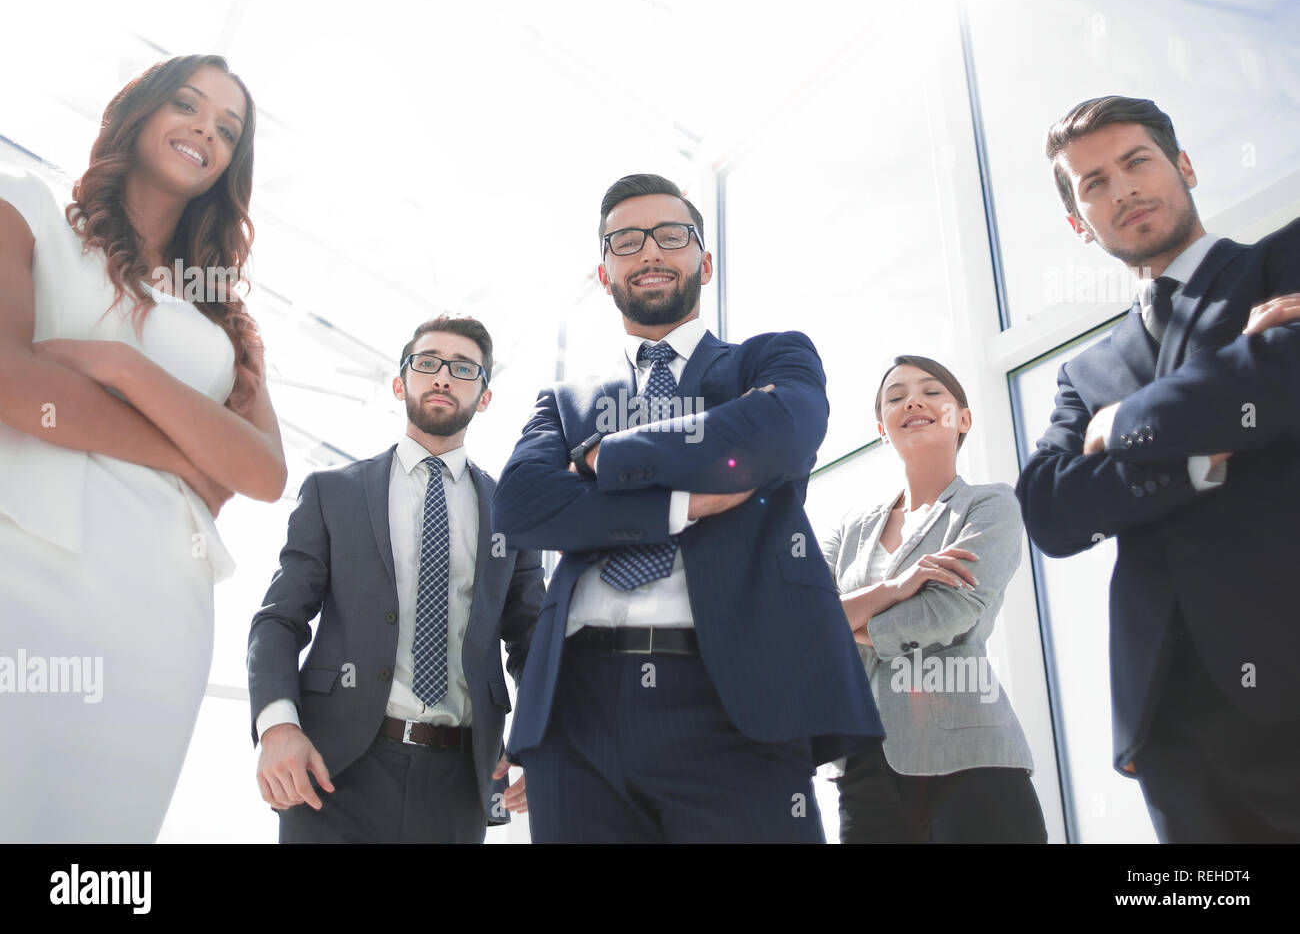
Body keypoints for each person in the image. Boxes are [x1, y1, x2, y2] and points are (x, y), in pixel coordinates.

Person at [491, 173, 882, 843]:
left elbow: (775, 436)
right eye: (626, 240)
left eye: (670, 235)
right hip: (575, 714)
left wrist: (606, 458)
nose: (649, 251)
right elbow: (522, 503)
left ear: (704, 261)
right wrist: (678, 504)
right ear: (604, 268)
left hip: (737, 698)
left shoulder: (771, 357)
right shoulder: (563, 402)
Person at [0, 55, 284, 843]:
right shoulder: (25, 208)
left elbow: (260, 473)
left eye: (227, 130)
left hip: (161, 616)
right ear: (138, 111)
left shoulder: (227, 322)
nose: (206, 130)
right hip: (24, 567)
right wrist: (188, 456)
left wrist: (121, 367)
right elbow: (13, 383)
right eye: (189, 106)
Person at [1016, 95, 1300, 842]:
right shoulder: (1085, 371)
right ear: (1080, 224)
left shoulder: (1281, 258)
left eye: (1136, 161)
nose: (1123, 189)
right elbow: (1049, 508)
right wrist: (1203, 453)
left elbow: (1284, 375)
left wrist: (1126, 425)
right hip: (1166, 727)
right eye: (1094, 183)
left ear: (1185, 165)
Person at [248, 315, 544, 843]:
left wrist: (545, 741)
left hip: (459, 784)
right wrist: (277, 726)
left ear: (485, 394)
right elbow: (278, 620)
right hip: (334, 773)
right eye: (427, 363)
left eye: (462, 368)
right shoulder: (332, 494)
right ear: (399, 381)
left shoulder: (512, 512)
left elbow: (530, 642)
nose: (443, 377)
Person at [822, 356, 1046, 843]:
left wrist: (847, 626)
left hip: (970, 758)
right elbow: (802, 623)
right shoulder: (849, 531)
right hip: (864, 769)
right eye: (896, 396)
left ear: (962, 418)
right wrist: (894, 589)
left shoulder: (987, 505)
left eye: (931, 391)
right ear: (883, 428)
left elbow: (951, 611)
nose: (913, 401)